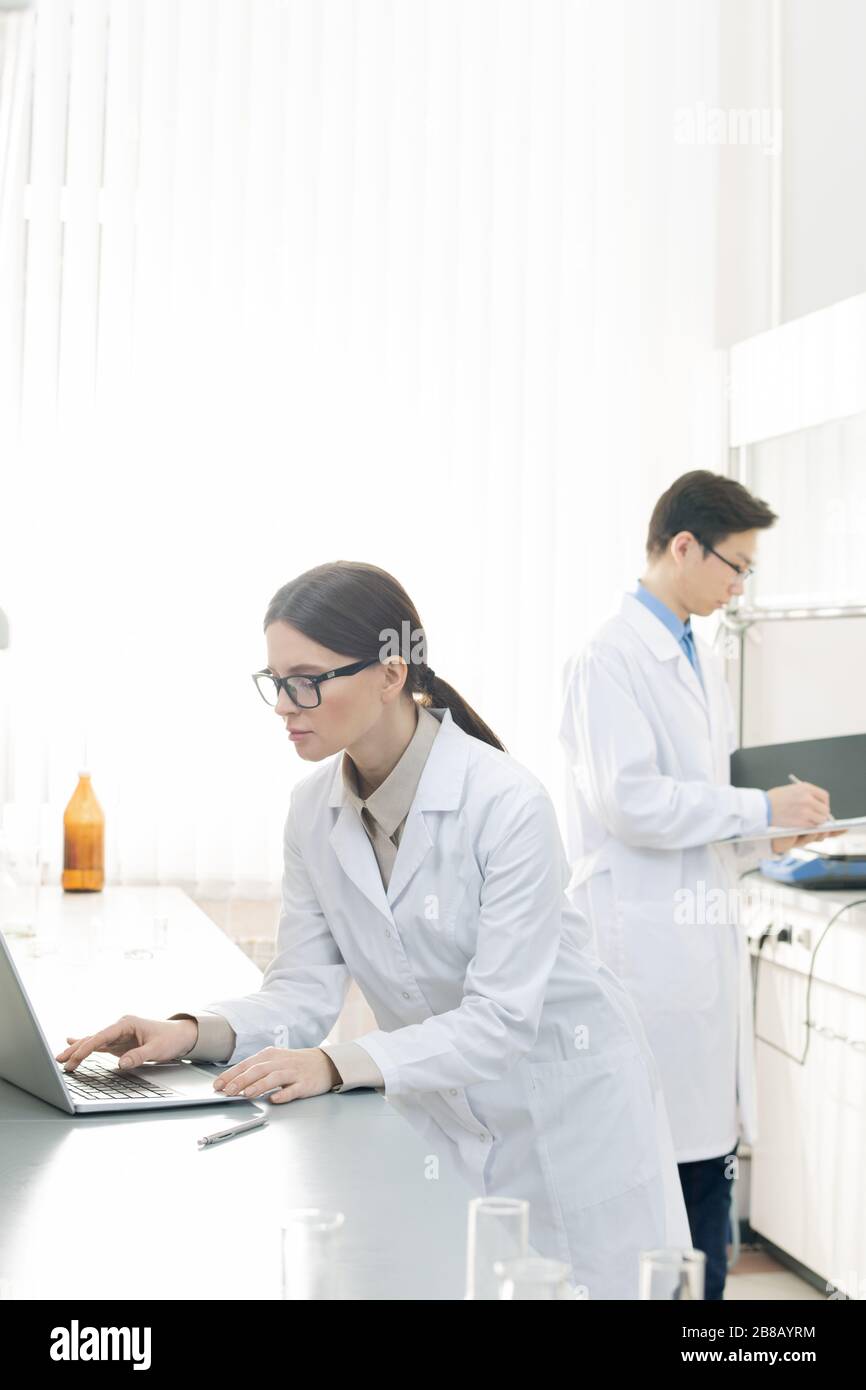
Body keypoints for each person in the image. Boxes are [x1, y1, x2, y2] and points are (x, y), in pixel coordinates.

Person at [57, 559, 690, 1299]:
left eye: (307, 679)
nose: (285, 705)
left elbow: (501, 1022)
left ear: (391, 674)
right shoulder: (311, 808)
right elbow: (301, 991)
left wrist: (333, 1063)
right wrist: (190, 1030)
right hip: (448, 1121)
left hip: (570, 1113)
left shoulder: (507, 804)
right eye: (275, 681)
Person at [559, 471, 843, 1299]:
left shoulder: (696, 653)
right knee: (660, 1212)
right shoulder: (608, 659)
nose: (740, 584)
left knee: (702, 1203)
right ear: (683, 546)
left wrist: (768, 829)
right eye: (736, 565)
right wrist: (757, 804)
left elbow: (698, 810)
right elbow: (634, 803)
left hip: (696, 947)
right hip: (645, 958)